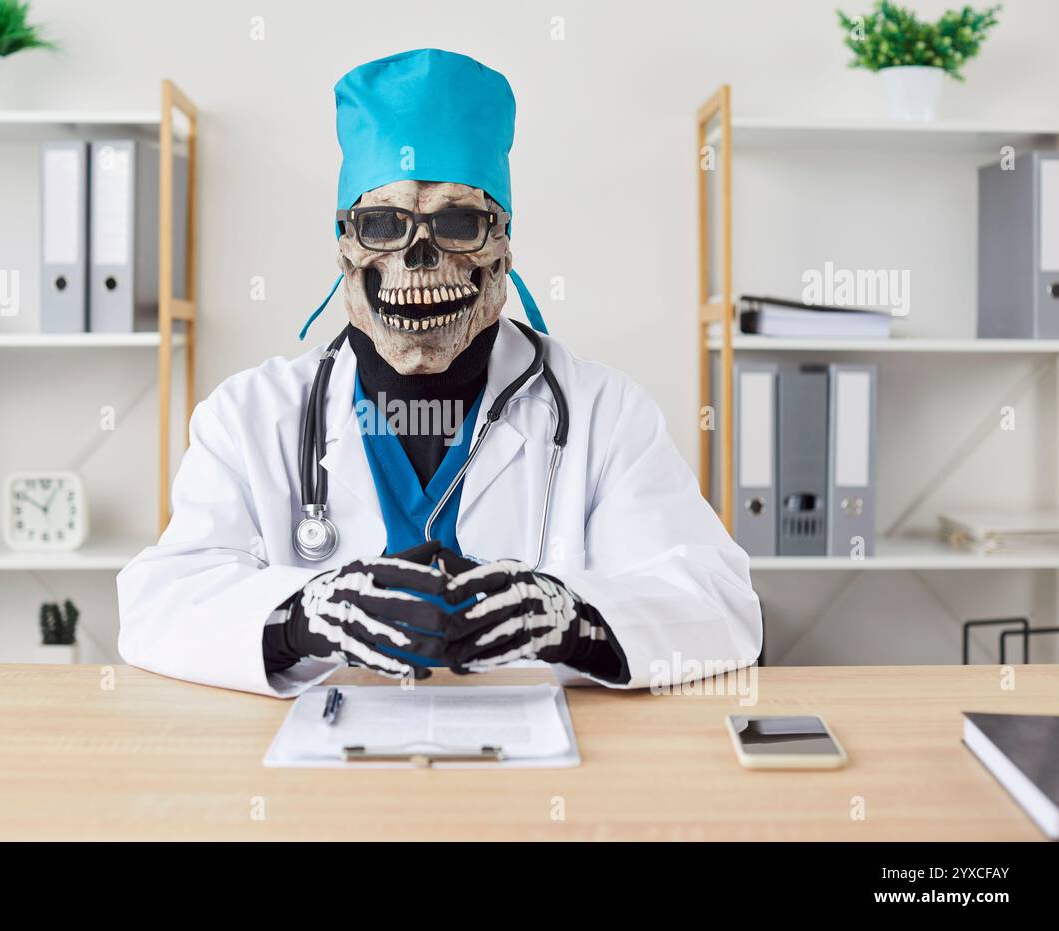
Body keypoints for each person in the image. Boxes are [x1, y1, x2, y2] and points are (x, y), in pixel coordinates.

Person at [118, 49, 761, 696]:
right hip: (319, 779)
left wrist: (573, 617)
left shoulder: (605, 412)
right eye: (383, 225)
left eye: (459, 223)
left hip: (541, 777)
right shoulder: (250, 415)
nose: (418, 257)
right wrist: (300, 617)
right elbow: (158, 603)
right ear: (345, 249)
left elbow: (722, 604)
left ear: (503, 246)